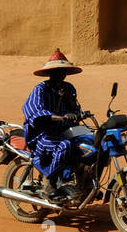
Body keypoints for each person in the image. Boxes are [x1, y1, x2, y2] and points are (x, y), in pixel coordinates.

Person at [22, 49, 86, 203]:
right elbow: (35, 112)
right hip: (42, 135)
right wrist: (61, 117)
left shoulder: (69, 88)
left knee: (90, 140)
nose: (61, 74)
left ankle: (83, 181)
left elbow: (75, 109)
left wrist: (73, 109)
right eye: (57, 71)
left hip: (64, 131)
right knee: (65, 146)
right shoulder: (41, 89)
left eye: (63, 71)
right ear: (50, 73)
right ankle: (50, 183)